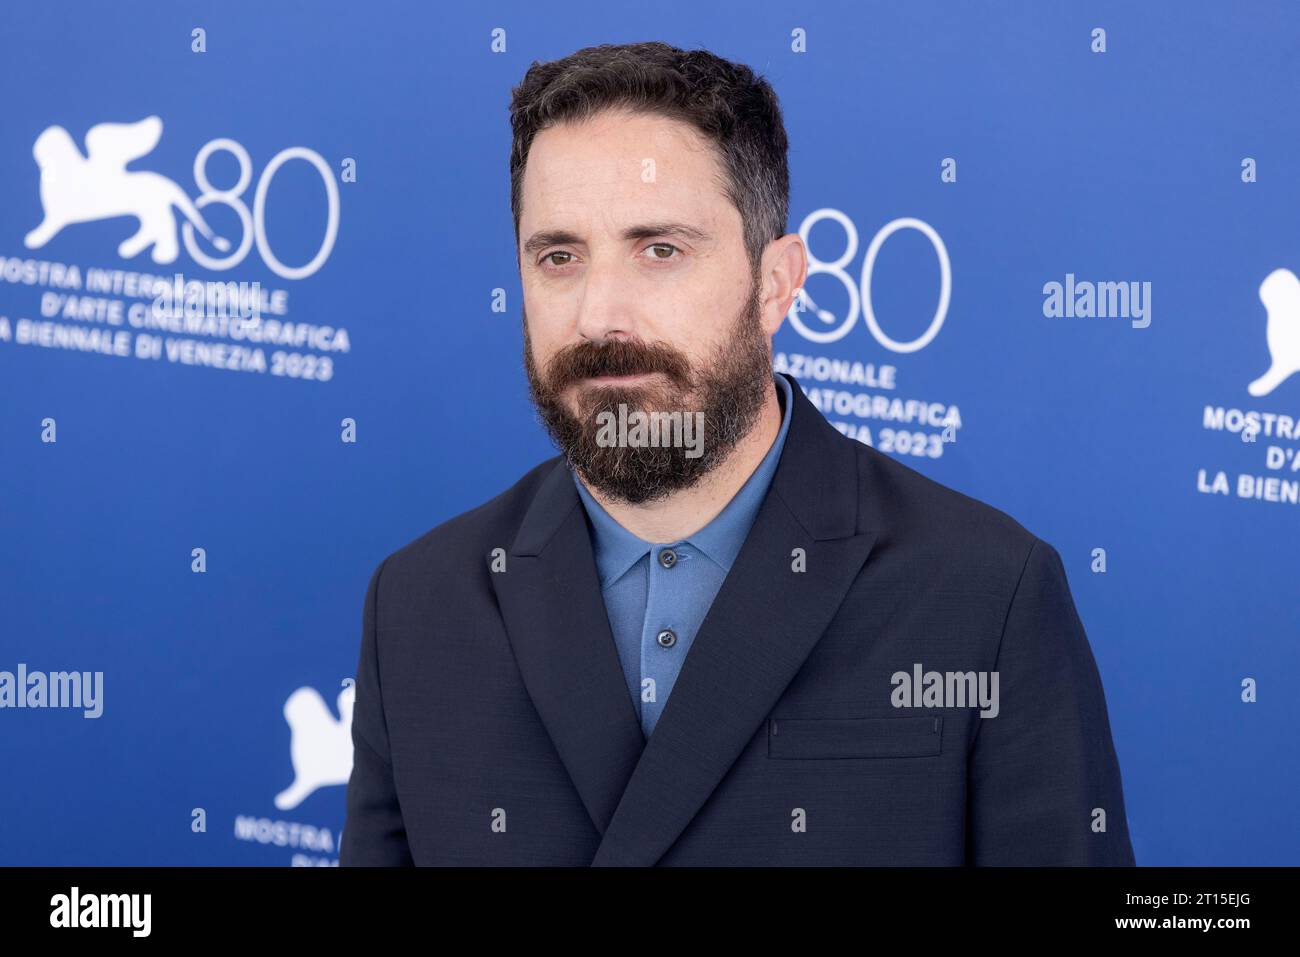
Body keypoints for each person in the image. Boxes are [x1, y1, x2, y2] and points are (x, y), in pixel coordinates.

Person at [339, 40, 1135, 866]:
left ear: (777, 284)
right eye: (560, 257)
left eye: (661, 250)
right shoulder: (417, 605)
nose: (600, 317)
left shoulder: (986, 596)